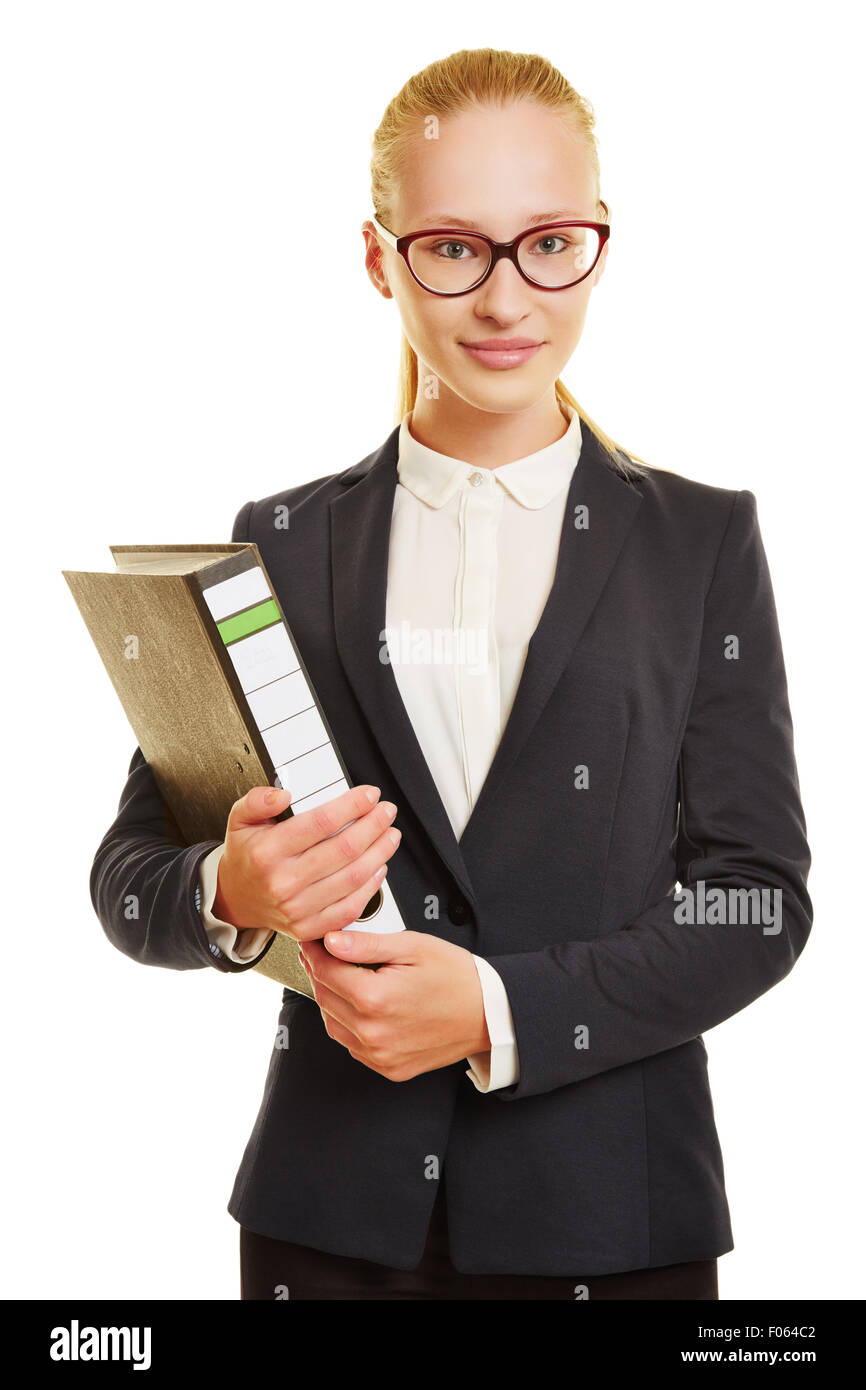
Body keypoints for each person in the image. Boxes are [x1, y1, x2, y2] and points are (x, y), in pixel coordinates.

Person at [90, 47, 812, 1301]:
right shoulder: (279, 542)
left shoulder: (699, 543)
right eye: (452, 248)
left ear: (598, 243)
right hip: (327, 1233)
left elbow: (753, 900)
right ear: (380, 258)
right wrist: (232, 882)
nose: (504, 298)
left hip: (614, 1224)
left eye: (548, 243)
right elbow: (130, 876)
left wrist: (499, 1009)